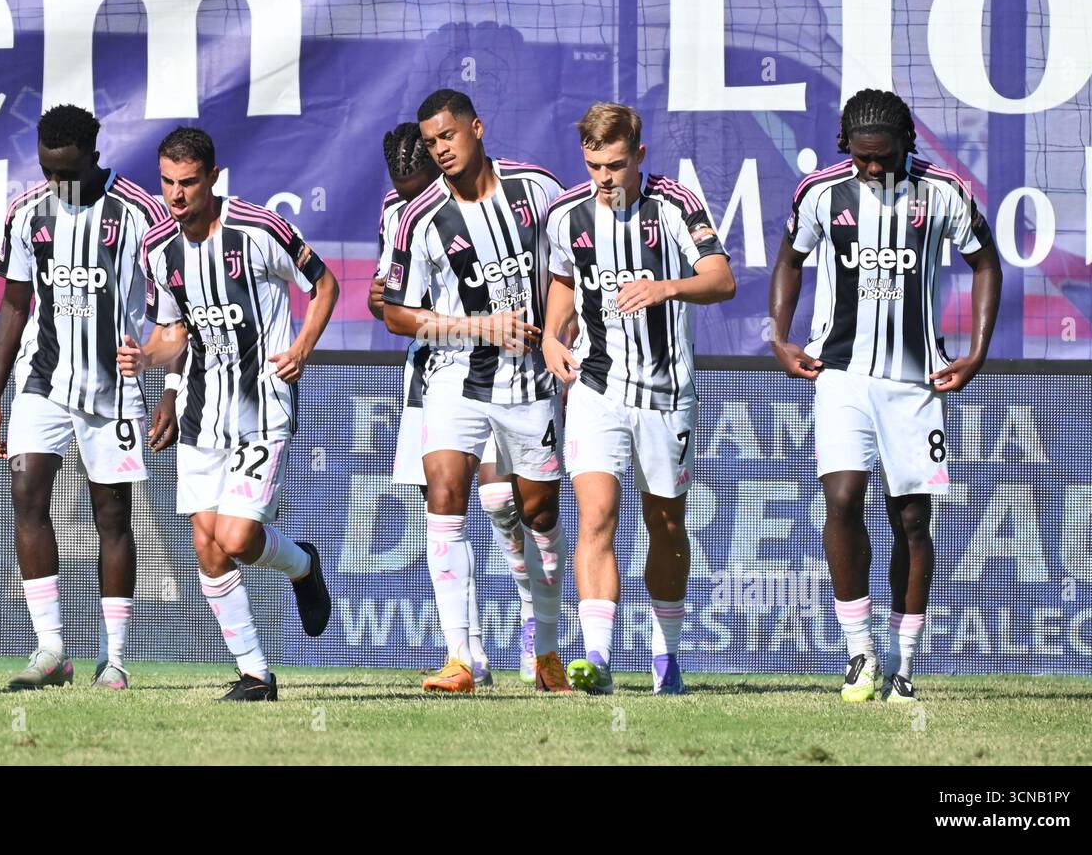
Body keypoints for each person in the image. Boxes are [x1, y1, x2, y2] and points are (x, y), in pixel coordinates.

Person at [768, 88, 1002, 702]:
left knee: (913, 521)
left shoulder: (943, 191)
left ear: (906, 143)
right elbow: (790, 260)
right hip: (840, 375)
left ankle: (904, 663)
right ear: (847, 146)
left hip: (914, 383)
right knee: (842, 500)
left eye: (885, 156)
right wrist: (780, 337)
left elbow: (986, 264)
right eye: (864, 157)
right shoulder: (822, 192)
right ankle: (859, 653)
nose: (874, 168)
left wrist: (974, 352)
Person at [118, 127, 338, 702]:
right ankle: (255, 674)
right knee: (207, 544)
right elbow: (172, 334)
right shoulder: (158, 248)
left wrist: (301, 348)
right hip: (199, 411)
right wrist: (147, 360)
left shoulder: (260, 229)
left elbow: (325, 284)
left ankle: (302, 567)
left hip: (261, 406)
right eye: (167, 182)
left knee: (237, 536)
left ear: (213, 178)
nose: (175, 194)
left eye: (188, 182)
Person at [542, 102, 735, 696]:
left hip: (664, 392)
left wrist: (667, 286)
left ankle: (666, 658)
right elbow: (563, 281)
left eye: (617, 164)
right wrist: (552, 337)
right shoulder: (566, 215)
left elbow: (722, 279)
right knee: (596, 514)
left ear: (640, 156)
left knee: (666, 524)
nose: (605, 177)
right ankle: (596, 658)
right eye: (595, 164)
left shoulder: (675, 205)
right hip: (596, 389)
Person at [0, 104, 174, 691]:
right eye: (46, 169)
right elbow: (16, 305)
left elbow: (171, 306)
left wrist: (167, 388)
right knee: (26, 491)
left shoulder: (140, 213)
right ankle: (51, 649)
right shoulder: (26, 213)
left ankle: (112, 658)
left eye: (66, 170)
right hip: (43, 379)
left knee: (111, 514)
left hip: (115, 386)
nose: (55, 182)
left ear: (94, 155)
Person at [383, 89, 570, 692]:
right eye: (431, 141)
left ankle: (544, 650)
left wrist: (560, 335)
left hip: (530, 381)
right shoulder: (420, 218)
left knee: (538, 513)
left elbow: (570, 265)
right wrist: (473, 326)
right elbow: (396, 313)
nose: (440, 149)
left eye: (448, 136)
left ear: (477, 129)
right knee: (446, 495)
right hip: (455, 377)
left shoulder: (537, 190)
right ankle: (461, 656)